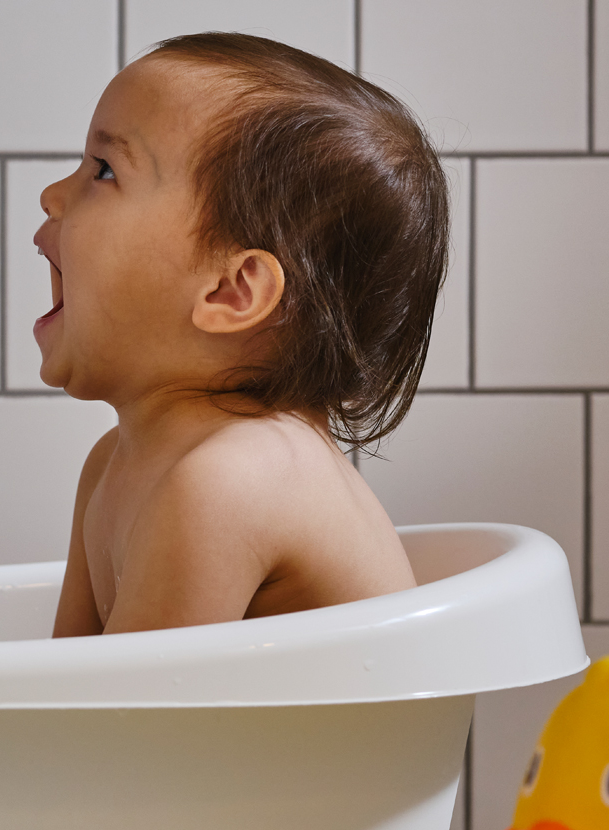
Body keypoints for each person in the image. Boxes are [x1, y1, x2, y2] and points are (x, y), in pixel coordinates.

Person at [38, 33, 444, 638]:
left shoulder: (230, 481)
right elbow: (55, 697)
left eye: (103, 170)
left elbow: (116, 728)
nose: (52, 195)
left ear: (231, 291)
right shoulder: (110, 467)